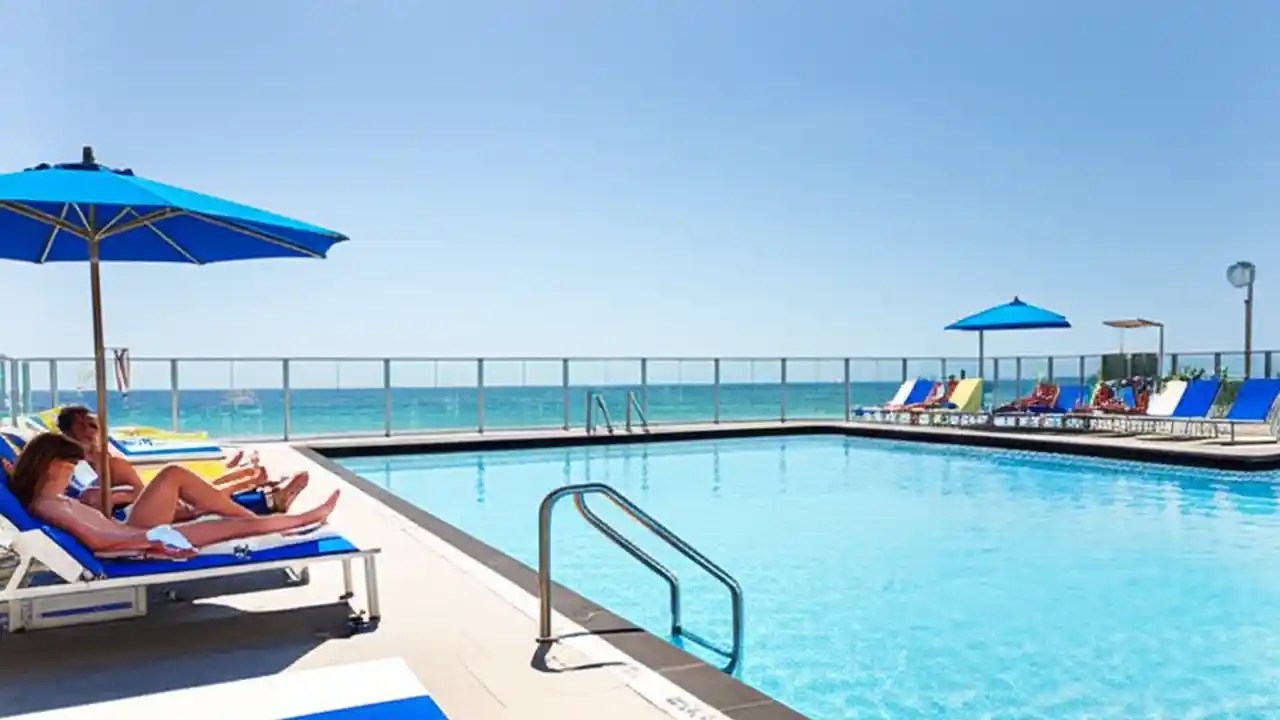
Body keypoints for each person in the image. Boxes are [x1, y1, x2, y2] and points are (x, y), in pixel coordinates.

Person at [7, 432, 338, 557]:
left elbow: (99, 528)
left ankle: (272, 519)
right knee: (235, 527)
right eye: (70, 467)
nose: (72, 474)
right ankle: (304, 518)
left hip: (133, 530)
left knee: (174, 475)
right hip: (141, 537)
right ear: (51, 466)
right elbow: (98, 542)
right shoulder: (50, 506)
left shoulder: (52, 499)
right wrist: (154, 542)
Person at [55, 405, 307, 516]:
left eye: (94, 423)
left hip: (139, 502)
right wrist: (127, 495)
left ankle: (259, 489)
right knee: (192, 499)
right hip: (141, 509)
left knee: (191, 490)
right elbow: (98, 499)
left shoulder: (93, 458)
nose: (95, 427)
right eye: (88, 424)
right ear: (74, 430)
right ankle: (266, 498)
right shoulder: (87, 459)